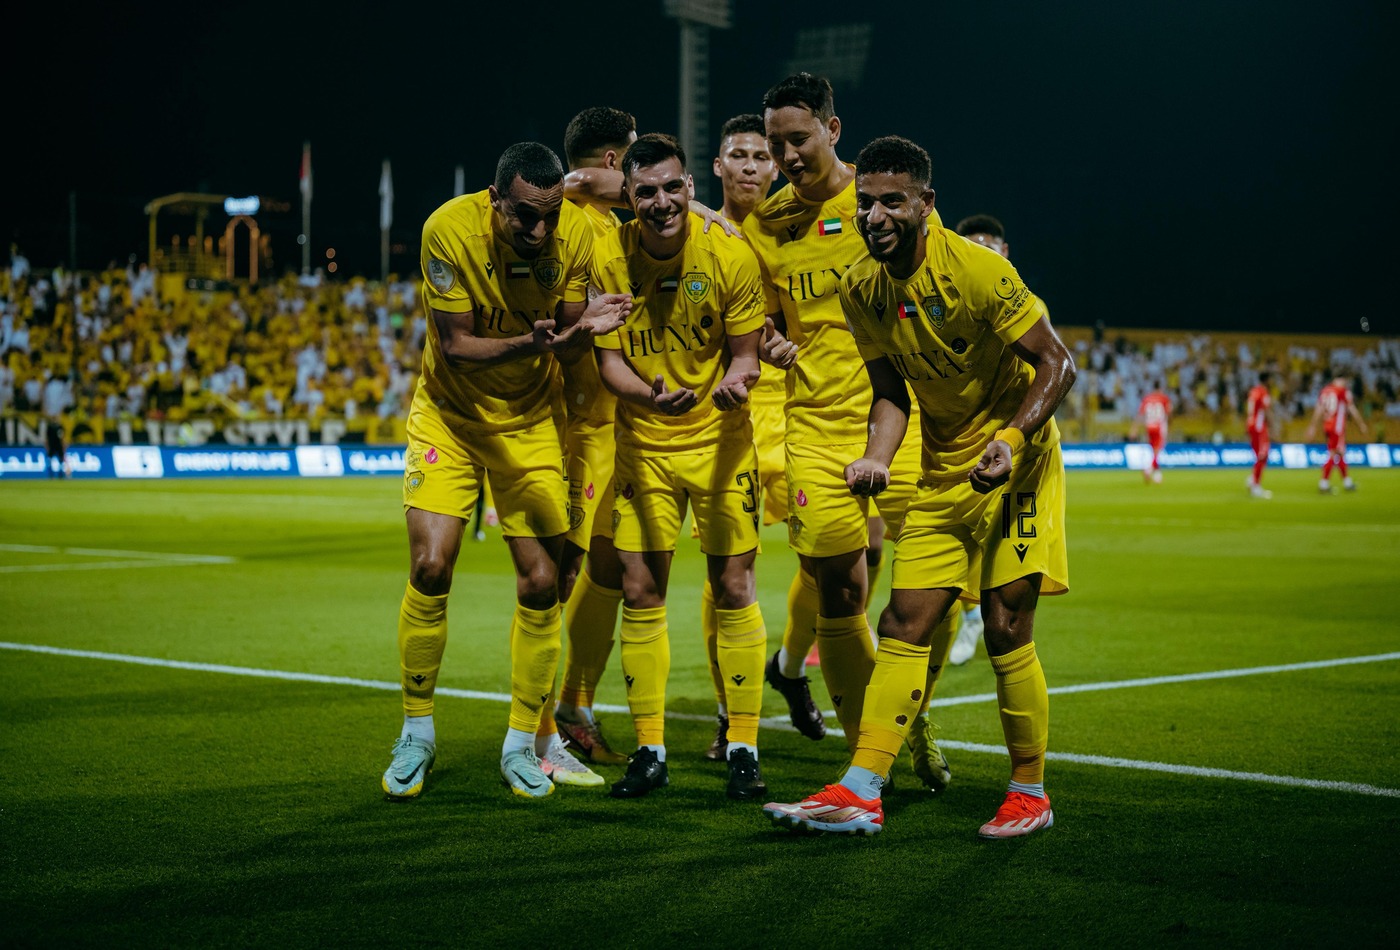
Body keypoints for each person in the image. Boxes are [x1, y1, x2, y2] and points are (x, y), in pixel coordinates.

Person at [764, 135, 1075, 837]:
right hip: (942, 465)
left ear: (926, 204)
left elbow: (1058, 363)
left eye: (892, 202)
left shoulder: (978, 272)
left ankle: (1030, 793)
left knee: (1004, 625)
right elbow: (890, 394)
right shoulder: (861, 289)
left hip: (1018, 465)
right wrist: (876, 457)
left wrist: (1011, 439)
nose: (875, 216)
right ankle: (860, 790)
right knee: (903, 622)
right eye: (865, 203)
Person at [381, 142, 630, 802]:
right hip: (451, 417)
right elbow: (456, 346)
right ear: (495, 202)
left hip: (530, 421)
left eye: (550, 215)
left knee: (543, 582)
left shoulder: (574, 236)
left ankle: (523, 746)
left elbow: (568, 340)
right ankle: (416, 734)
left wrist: (585, 331)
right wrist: (535, 341)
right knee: (430, 567)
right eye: (524, 215)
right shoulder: (447, 229)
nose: (539, 230)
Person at [744, 74, 940, 784]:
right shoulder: (767, 226)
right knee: (841, 592)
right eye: (776, 144)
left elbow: (937, 288)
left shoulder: (883, 197)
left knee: (929, 587)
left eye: (799, 139)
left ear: (832, 129)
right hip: (817, 427)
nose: (787, 156)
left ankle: (912, 721)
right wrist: (768, 341)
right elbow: (763, 319)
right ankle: (867, 758)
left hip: (902, 418)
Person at [592, 133, 770, 800]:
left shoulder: (730, 254)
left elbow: (746, 355)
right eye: (646, 192)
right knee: (641, 590)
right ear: (629, 196)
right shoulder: (609, 257)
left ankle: (744, 747)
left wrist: (735, 383)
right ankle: (650, 751)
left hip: (721, 445)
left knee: (734, 587)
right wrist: (650, 399)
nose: (661, 202)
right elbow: (610, 362)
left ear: (691, 188)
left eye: (672, 187)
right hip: (644, 445)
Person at [544, 106, 639, 775]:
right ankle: (539, 733)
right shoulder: (571, 211)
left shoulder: (606, 224)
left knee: (610, 571)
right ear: (612, 162)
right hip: (576, 430)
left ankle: (573, 708)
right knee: (558, 576)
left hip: (611, 430)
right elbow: (569, 181)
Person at [701, 113, 785, 761]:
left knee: (851, 557)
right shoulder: (693, 230)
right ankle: (731, 715)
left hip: (803, 411)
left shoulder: (796, 227)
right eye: (739, 154)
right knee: (730, 572)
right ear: (718, 165)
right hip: (731, 414)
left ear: (776, 166)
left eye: (761, 155)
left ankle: (796, 663)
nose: (751, 165)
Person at [1305, 373, 1367, 492]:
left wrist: (1313, 426)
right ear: (1339, 380)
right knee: (1334, 454)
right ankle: (1324, 483)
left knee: (1340, 453)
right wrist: (1361, 424)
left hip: (1327, 426)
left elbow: (1319, 408)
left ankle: (1347, 482)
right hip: (1337, 427)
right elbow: (1351, 408)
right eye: (1344, 381)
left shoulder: (1325, 391)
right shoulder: (1342, 392)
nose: (1345, 383)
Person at [1130, 384, 1171, 483]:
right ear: (1160, 389)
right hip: (1159, 427)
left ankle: (1157, 474)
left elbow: (1140, 414)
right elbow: (1169, 412)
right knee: (1157, 451)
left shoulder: (1147, 399)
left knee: (1154, 451)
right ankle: (1149, 470)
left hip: (1149, 427)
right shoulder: (1163, 398)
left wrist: (1134, 429)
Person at [1245, 371, 1276, 499]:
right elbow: (1266, 410)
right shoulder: (1263, 392)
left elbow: (1250, 409)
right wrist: (1273, 424)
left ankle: (1253, 479)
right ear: (1267, 380)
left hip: (1251, 424)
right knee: (1262, 456)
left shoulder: (1254, 391)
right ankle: (1256, 486)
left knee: (1260, 455)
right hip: (1259, 427)